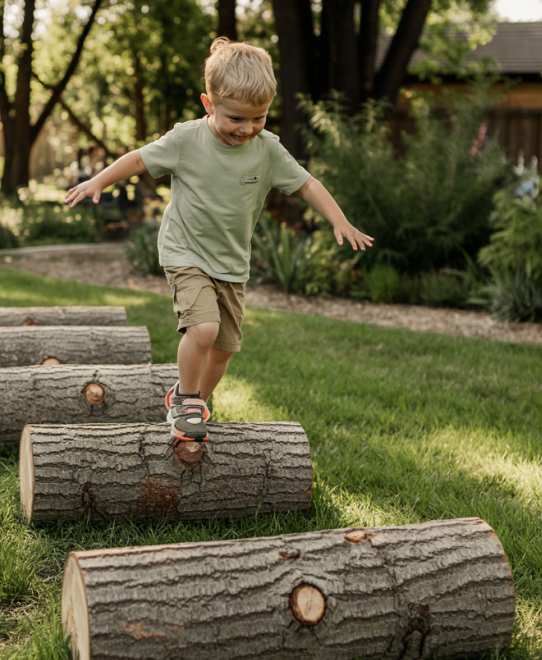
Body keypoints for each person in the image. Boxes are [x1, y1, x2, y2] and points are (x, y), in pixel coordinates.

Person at [65, 38, 373, 442]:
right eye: (236, 119)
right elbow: (140, 159)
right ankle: (187, 402)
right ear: (208, 104)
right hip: (185, 251)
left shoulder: (267, 150)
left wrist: (339, 220)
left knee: (224, 349)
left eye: (259, 118)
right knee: (205, 329)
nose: (247, 129)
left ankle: (188, 399)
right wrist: (99, 180)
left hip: (231, 262)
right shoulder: (186, 140)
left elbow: (307, 184)